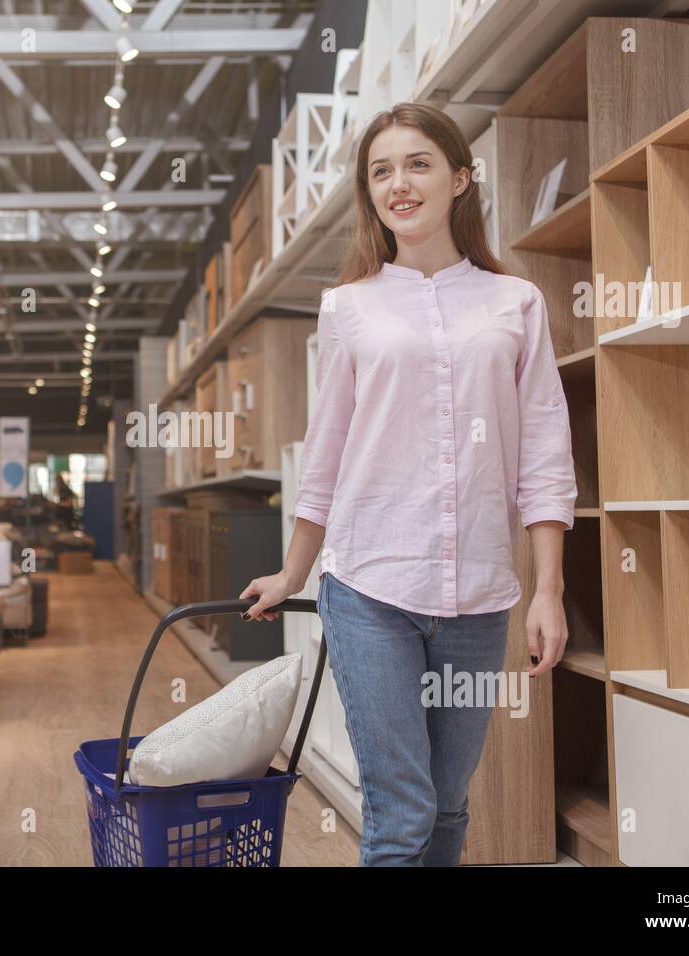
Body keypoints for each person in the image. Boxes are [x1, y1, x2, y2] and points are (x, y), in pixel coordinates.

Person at [241, 103, 577, 866]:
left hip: (480, 598)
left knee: (449, 808)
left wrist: (549, 588)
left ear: (461, 178)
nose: (399, 183)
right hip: (369, 587)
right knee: (402, 811)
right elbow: (328, 450)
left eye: (418, 163)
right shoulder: (349, 306)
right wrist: (294, 570)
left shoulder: (515, 303)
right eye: (381, 170)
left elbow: (546, 451)